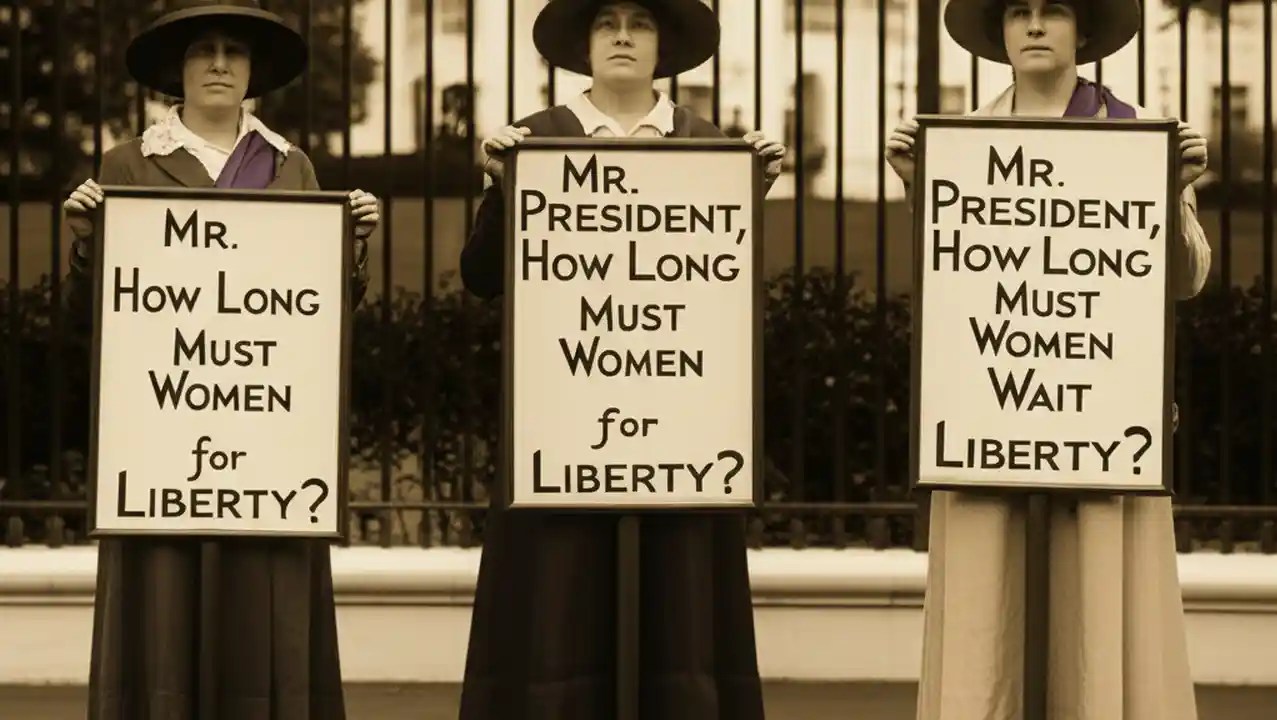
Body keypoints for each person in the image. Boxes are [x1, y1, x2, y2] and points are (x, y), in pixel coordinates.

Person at [456, 1, 784, 718]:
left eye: (640, 24)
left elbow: (720, 292)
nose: (625, 37)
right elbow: (481, 278)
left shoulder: (708, 143)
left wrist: (749, 189)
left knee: (680, 595)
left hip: (677, 417)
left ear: (664, 45)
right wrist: (498, 189)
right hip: (565, 409)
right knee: (558, 594)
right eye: (608, 24)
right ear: (585, 42)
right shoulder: (534, 141)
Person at [885, 0, 1211, 718]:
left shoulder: (1136, 133)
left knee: (1099, 602)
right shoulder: (963, 140)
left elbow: (1185, 280)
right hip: (988, 416)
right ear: (1000, 32)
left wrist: (1175, 187)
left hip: (1100, 419)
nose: (1034, 25)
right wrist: (917, 182)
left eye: (1053, 11)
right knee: (986, 610)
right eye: (1019, 12)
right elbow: (954, 281)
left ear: (1083, 31)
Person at [61, 2, 378, 718]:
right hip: (164, 431)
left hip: (264, 431)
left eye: (235, 52)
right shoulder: (129, 163)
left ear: (253, 72)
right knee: (163, 600)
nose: (219, 63)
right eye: (204, 50)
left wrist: (352, 244)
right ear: (179, 69)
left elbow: (316, 316)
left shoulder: (291, 167)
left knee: (263, 598)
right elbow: (97, 318)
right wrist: (87, 240)